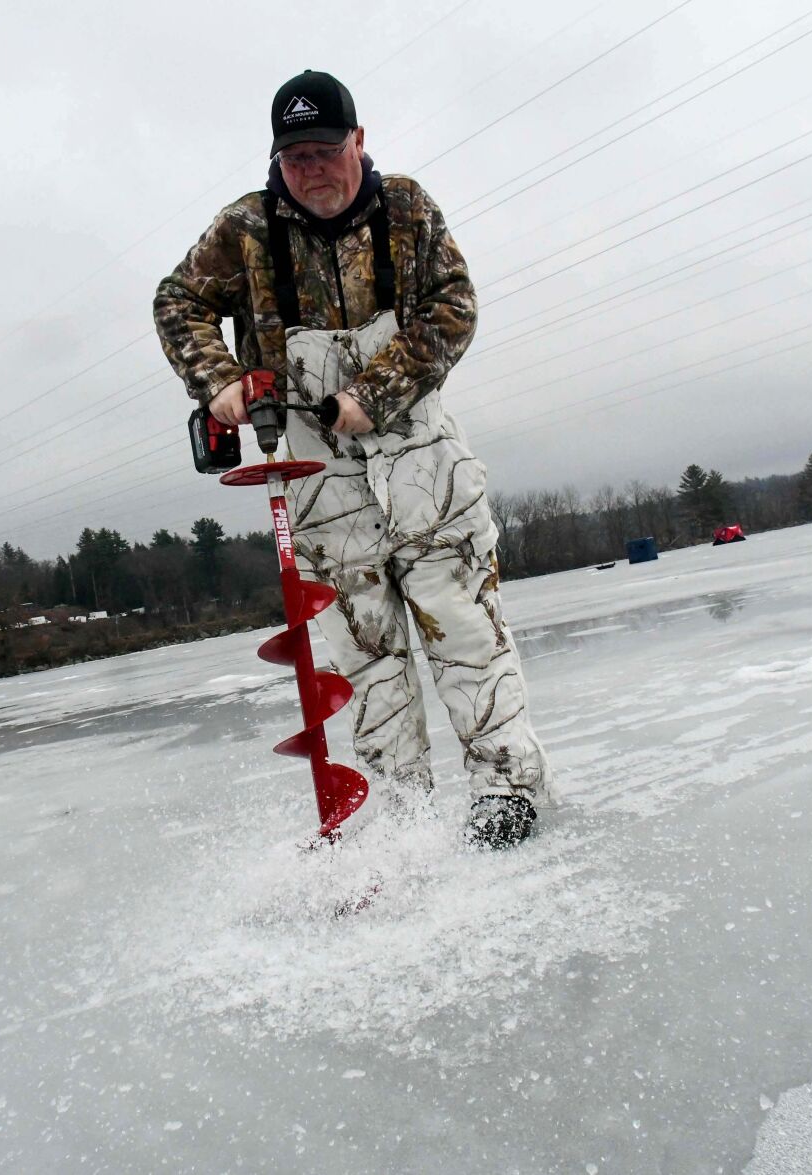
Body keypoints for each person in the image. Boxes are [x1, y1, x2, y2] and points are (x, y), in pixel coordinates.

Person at [154, 69, 550, 848]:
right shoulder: (245, 231)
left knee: (468, 638)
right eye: (295, 156)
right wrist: (221, 382)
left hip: (424, 470)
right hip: (320, 490)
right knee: (366, 665)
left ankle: (508, 793)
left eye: (325, 150)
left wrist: (376, 390)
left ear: (358, 142)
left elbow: (454, 304)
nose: (312, 170)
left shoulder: (406, 210)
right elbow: (177, 302)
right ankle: (400, 822)